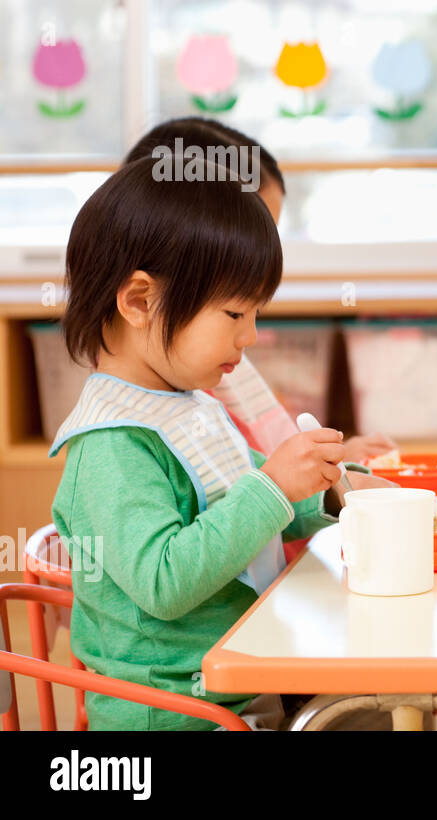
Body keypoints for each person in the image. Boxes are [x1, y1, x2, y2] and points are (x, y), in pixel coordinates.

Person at [49, 156, 389, 729]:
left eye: (255, 312)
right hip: (178, 717)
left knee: (380, 705)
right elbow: (164, 581)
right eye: (234, 311)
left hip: (244, 686)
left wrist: (333, 494)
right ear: (138, 301)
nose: (250, 334)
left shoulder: (185, 403)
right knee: (374, 710)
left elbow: (243, 489)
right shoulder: (111, 444)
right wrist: (274, 485)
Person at [123, 117, 396, 464]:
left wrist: (332, 469)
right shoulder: (141, 417)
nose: (260, 252)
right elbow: (245, 497)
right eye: (250, 231)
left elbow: (262, 469)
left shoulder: (204, 355)